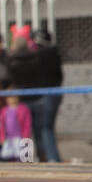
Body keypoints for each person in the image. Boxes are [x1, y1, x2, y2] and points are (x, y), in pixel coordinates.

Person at [7, 30, 41, 161]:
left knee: (22, 129)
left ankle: (22, 157)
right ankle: (35, 157)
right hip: (36, 97)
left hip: (20, 99)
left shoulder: (12, 60)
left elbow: (10, 77)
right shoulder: (35, 58)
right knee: (33, 129)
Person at [33, 28, 63, 163]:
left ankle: (50, 157)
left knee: (44, 127)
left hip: (43, 94)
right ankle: (43, 157)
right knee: (46, 127)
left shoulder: (39, 56)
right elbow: (60, 76)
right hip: (54, 92)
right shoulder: (55, 54)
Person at [0, 93, 34, 163]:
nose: (12, 99)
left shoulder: (24, 109)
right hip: (8, 138)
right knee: (9, 155)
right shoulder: (4, 110)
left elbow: (27, 123)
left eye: (14, 97)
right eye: (10, 97)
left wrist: (26, 136)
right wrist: (1, 136)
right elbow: (1, 125)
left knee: (21, 155)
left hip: (20, 137)